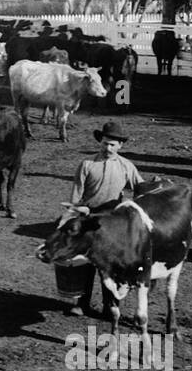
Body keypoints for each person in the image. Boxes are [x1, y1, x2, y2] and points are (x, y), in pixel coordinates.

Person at [61, 121, 145, 316]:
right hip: (89, 219)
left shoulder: (127, 166)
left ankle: (110, 306)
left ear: (120, 146)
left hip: (112, 224)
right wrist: (73, 214)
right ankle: (82, 304)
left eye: (113, 144)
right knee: (86, 263)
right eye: (105, 143)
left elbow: (140, 188)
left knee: (111, 266)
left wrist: (153, 186)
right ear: (100, 142)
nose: (108, 148)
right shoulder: (87, 165)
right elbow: (76, 195)